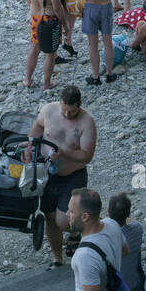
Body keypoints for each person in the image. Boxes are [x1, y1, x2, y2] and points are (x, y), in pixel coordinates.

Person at [25, 86, 97, 267]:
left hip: (73, 175)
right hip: (48, 174)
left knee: (64, 221)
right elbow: (36, 129)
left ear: (79, 105)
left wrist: (63, 152)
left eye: (72, 112)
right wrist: (28, 148)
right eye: (64, 110)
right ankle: (57, 258)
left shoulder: (87, 122)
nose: (67, 115)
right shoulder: (49, 110)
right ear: (60, 103)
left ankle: (74, 233)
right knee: (49, 217)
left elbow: (86, 156)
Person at [47, 188, 127, 291]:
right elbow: (125, 251)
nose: (67, 214)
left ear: (85, 217)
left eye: (71, 211)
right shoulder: (112, 224)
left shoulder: (85, 255)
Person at [24, 0, 70, 90]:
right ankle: (47, 83)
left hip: (34, 17)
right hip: (49, 19)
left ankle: (27, 79)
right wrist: (65, 24)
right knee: (50, 53)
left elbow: (29, 1)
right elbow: (57, 7)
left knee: (34, 49)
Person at [108, 192, 144, 291]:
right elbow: (130, 222)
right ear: (128, 214)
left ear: (108, 213)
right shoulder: (137, 228)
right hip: (135, 289)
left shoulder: (106, 237)